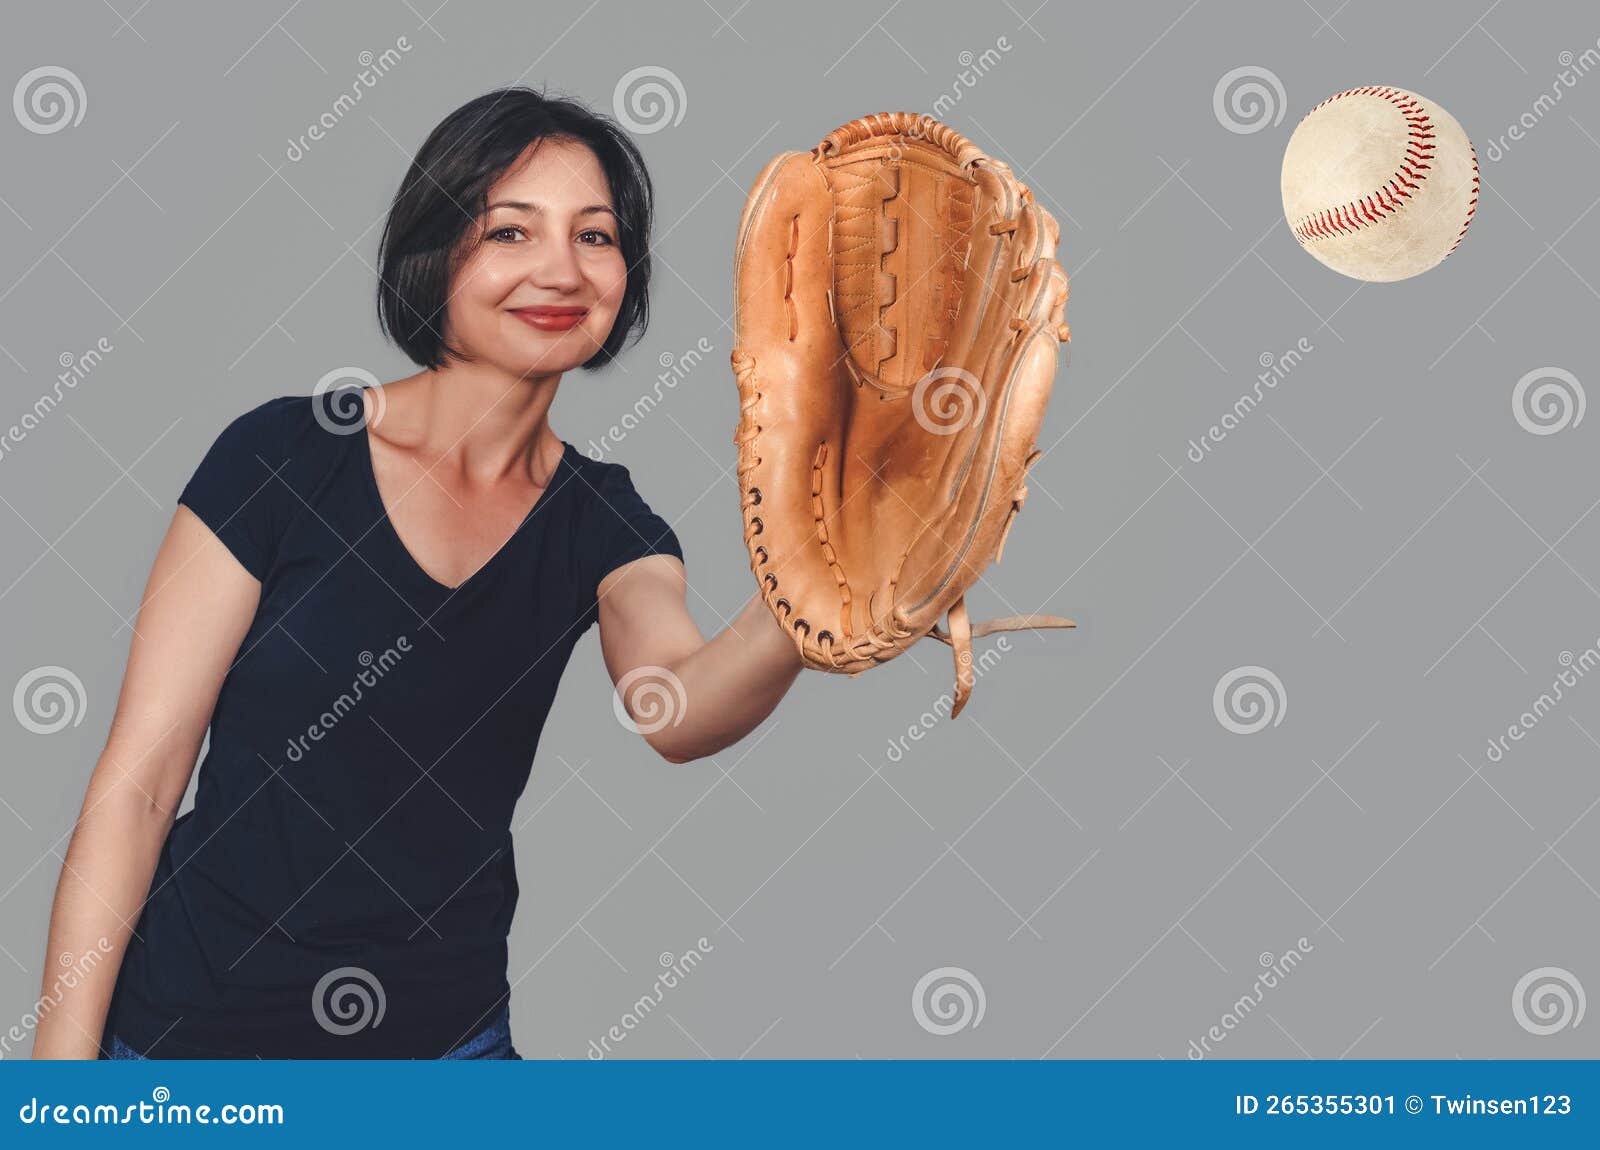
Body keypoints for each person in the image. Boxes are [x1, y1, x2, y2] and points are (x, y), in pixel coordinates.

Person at [30, 88, 800, 1060]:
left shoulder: (600, 519)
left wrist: (800, 610)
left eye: (595, 236)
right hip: (192, 1044)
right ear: (436, 254)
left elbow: (677, 709)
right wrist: (61, 1078)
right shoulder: (284, 457)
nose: (561, 268)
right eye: (511, 231)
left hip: (444, 1050)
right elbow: (139, 783)